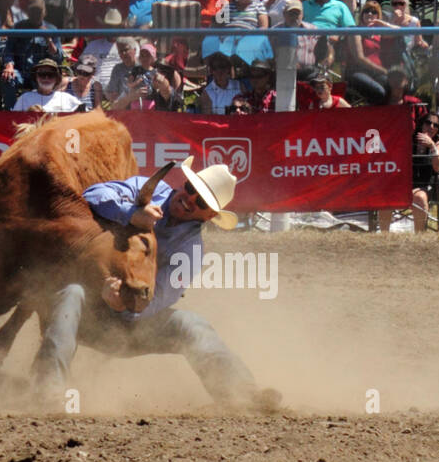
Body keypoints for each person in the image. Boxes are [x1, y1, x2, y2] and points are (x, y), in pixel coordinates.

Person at [30, 156, 278, 410]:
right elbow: (92, 194)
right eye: (191, 189)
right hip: (87, 303)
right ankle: (48, 393)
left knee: (192, 324)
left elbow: (156, 299)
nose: (189, 199)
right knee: (72, 292)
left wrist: (122, 305)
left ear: (210, 215)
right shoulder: (149, 189)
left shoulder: (189, 252)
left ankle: (243, 396)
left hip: (126, 325)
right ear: (184, 184)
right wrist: (131, 213)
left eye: (200, 201)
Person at [410, 113, 439, 232]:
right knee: (387, 194)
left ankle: (419, 236)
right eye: (428, 123)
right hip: (404, 183)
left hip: (426, 185)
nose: (431, 126)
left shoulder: (438, 144)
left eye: (436, 125)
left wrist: (432, 146)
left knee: (420, 197)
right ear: (421, 124)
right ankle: (384, 235)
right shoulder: (408, 140)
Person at [14, 59, 82, 113]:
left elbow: (84, 113)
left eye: (50, 75)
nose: (46, 78)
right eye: (42, 74)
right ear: (36, 77)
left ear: (56, 78)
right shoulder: (25, 98)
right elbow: (14, 120)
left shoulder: (66, 98)